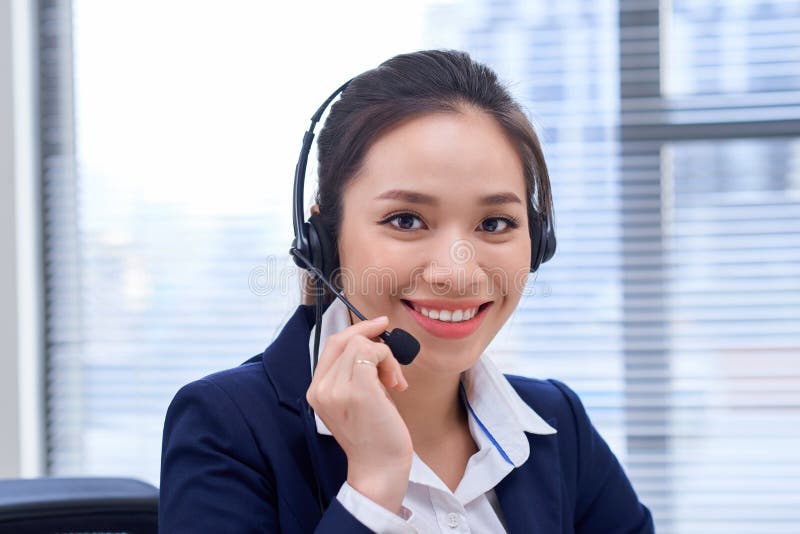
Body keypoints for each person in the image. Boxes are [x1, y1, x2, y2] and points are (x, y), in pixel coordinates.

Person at [159, 50, 654, 533]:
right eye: (407, 220)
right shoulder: (227, 427)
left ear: (538, 240)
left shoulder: (557, 426)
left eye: (495, 222)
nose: (456, 273)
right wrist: (372, 491)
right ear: (325, 243)